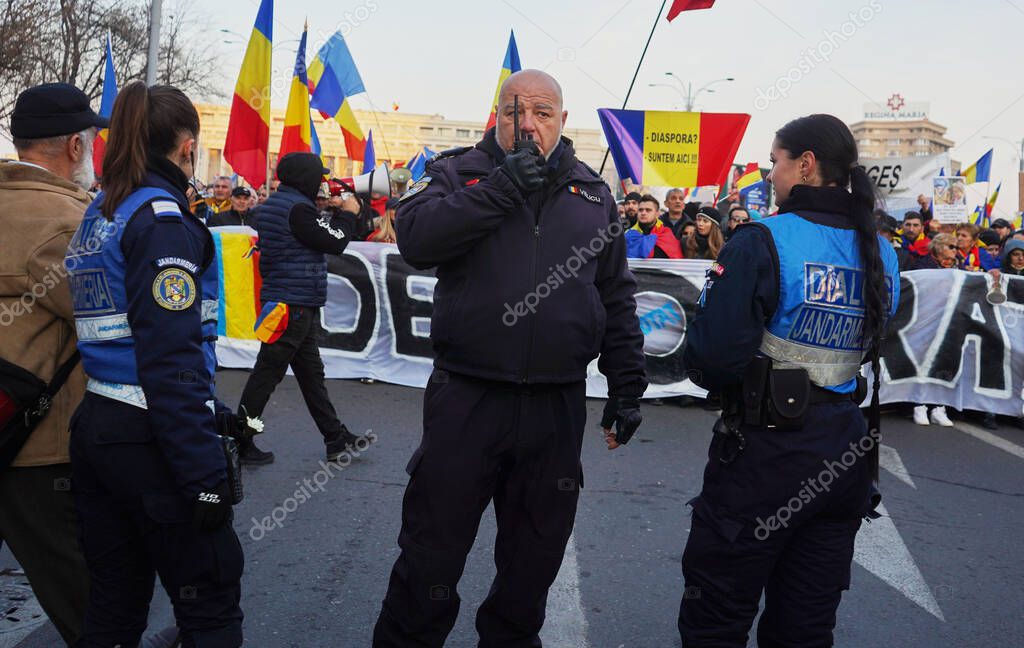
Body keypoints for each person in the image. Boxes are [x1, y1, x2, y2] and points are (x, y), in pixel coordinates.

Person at [373, 69, 646, 647]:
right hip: (468, 401)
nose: (528, 125)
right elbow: (417, 240)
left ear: (562, 121)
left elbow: (615, 295)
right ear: (493, 117)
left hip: (556, 407)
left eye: (543, 114)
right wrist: (502, 188)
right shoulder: (455, 173)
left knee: (530, 569)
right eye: (514, 112)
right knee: (429, 561)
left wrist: (627, 383)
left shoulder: (592, 195)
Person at [678, 114, 900, 647]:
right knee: (803, 629)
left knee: (716, 618)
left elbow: (713, 357)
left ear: (805, 165)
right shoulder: (883, 251)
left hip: (763, 456)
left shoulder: (763, 239)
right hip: (844, 457)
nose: (770, 175)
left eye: (775, 162)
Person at [64, 82, 243, 647]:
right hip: (150, 433)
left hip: (99, 423)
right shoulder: (162, 220)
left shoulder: (103, 211)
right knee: (209, 600)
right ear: (186, 145)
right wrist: (204, 474)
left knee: (115, 603)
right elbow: (169, 359)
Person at [0, 82, 98, 646]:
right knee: (86, 605)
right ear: (76, 148)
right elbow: (111, 323)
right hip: (38, 445)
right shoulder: (66, 221)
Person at [234, 152, 365, 465]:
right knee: (266, 375)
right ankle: (239, 440)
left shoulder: (280, 207)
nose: (321, 182)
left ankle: (335, 438)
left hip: (291, 303)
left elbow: (305, 237)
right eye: (317, 176)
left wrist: (324, 211)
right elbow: (334, 241)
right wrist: (348, 213)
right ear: (305, 178)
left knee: (310, 376)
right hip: (293, 305)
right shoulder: (298, 210)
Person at [626, 194, 683, 258]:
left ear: (657, 213)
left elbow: (675, 261)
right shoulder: (629, 235)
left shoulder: (666, 235)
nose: (643, 213)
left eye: (648, 210)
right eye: (640, 210)